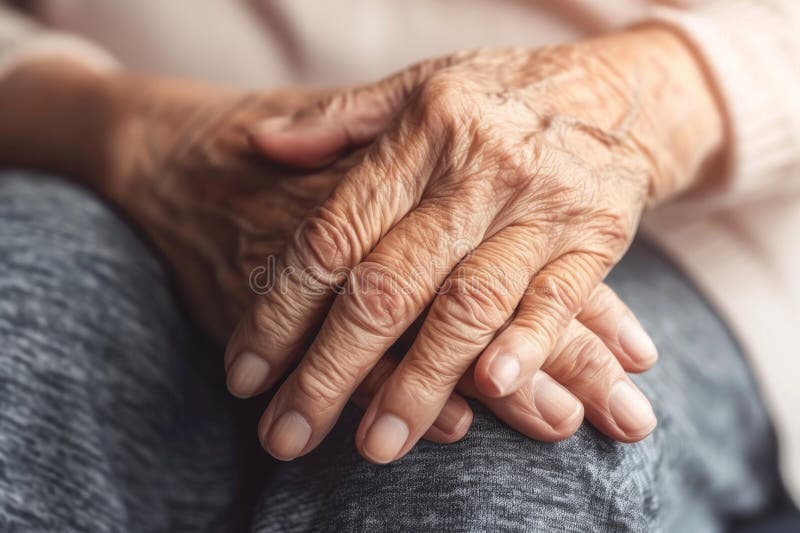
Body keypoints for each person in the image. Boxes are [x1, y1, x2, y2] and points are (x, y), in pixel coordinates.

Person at [0, 1, 797, 531]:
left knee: (490, 444)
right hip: (118, 139)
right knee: (20, 325)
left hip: (680, 204)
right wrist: (138, 135)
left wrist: (631, 101)